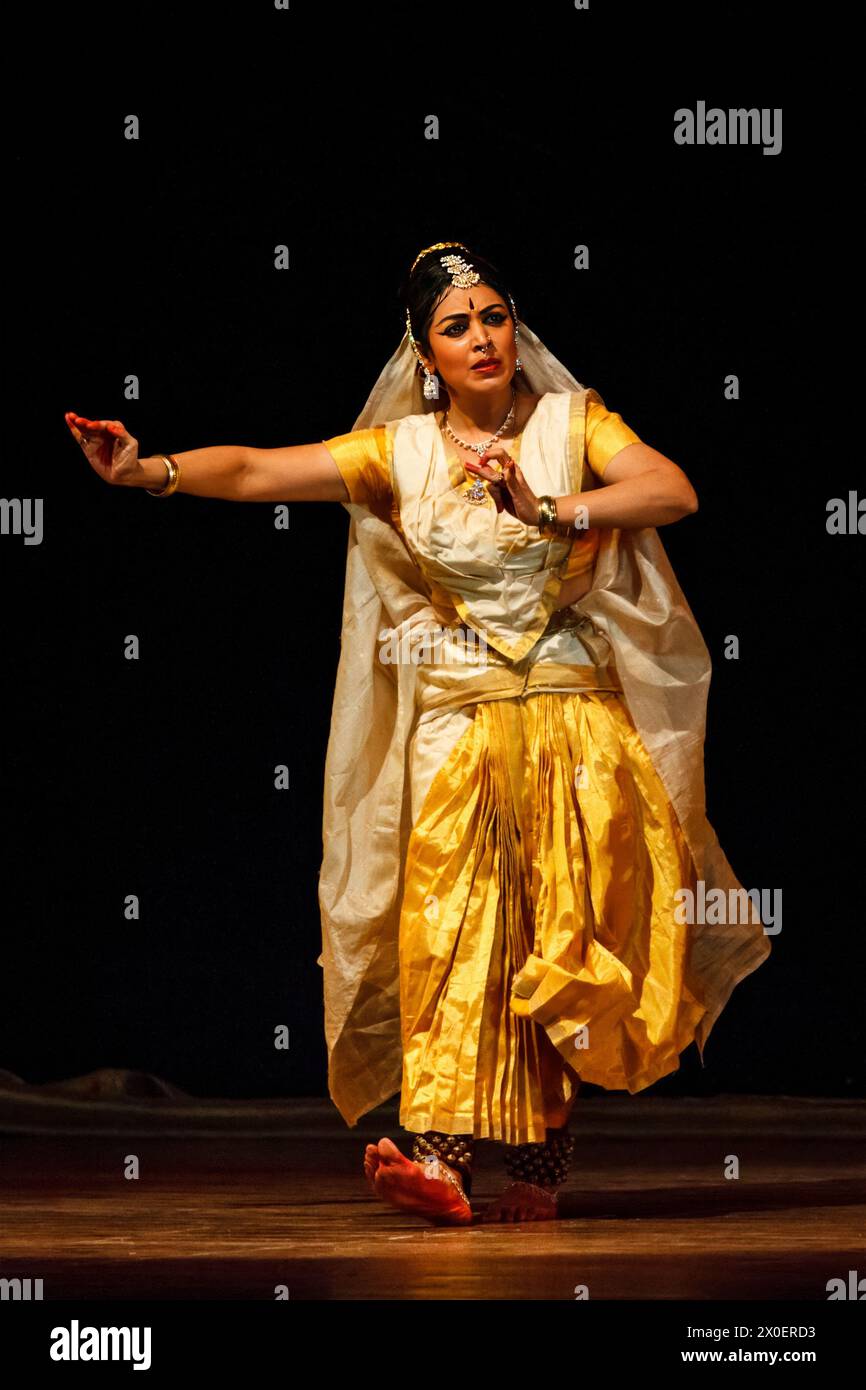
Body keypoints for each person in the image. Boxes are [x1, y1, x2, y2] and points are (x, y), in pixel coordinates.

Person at [65, 240, 771, 1229]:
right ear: (422, 352)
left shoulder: (572, 424)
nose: (481, 336)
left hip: (573, 726)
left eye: (492, 316)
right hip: (455, 731)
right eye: (456, 326)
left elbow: (669, 489)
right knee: (452, 937)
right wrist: (152, 471)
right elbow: (263, 469)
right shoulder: (396, 454)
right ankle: (440, 1157)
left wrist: (552, 506)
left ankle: (536, 1164)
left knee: (555, 945)